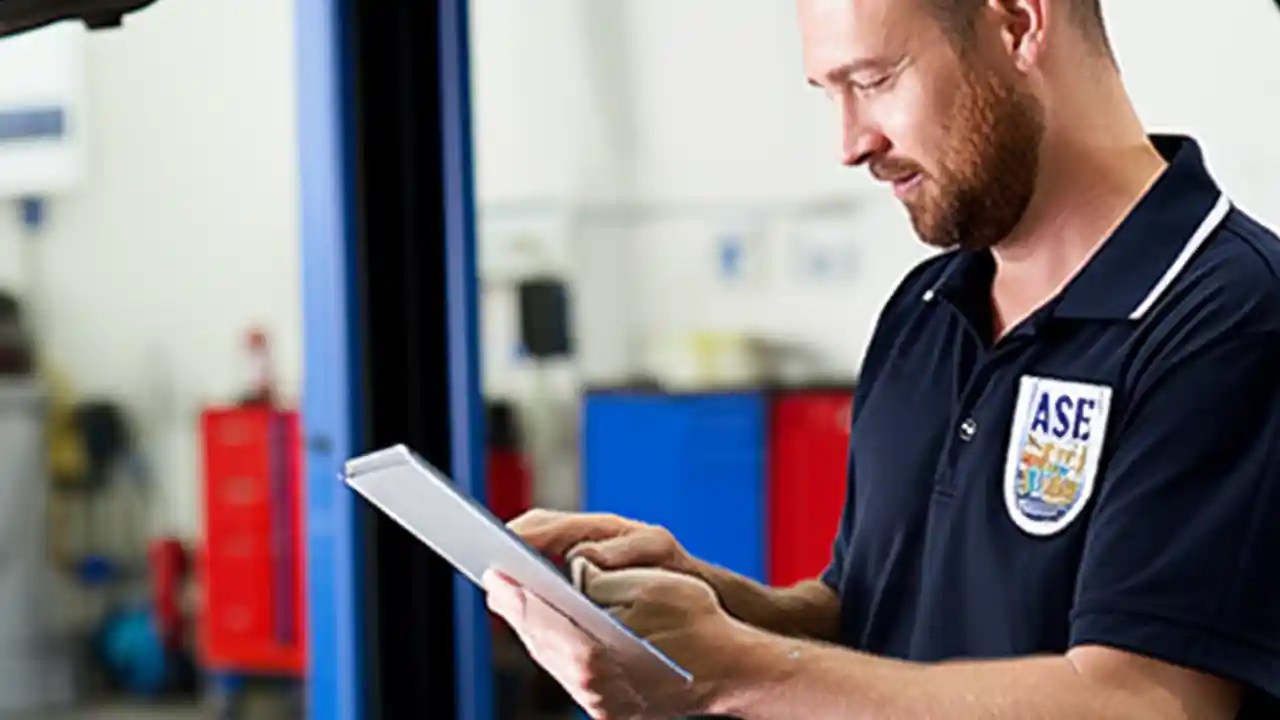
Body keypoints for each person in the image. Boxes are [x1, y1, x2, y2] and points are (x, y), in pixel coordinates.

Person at [483, 0, 1280, 717]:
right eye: (828, 91)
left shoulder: (1230, 317)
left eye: (874, 78)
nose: (850, 143)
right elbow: (871, 612)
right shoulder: (927, 311)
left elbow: (1141, 701)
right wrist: (722, 606)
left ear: (1017, 23)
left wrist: (733, 670)